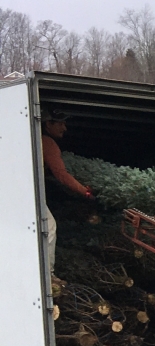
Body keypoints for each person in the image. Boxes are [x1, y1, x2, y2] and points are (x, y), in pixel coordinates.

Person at [39, 110, 92, 271]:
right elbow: (61, 174)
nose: (65, 128)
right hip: (24, 194)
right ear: (48, 124)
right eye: (60, 123)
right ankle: (48, 274)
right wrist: (85, 191)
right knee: (49, 226)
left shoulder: (32, 138)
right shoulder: (46, 142)